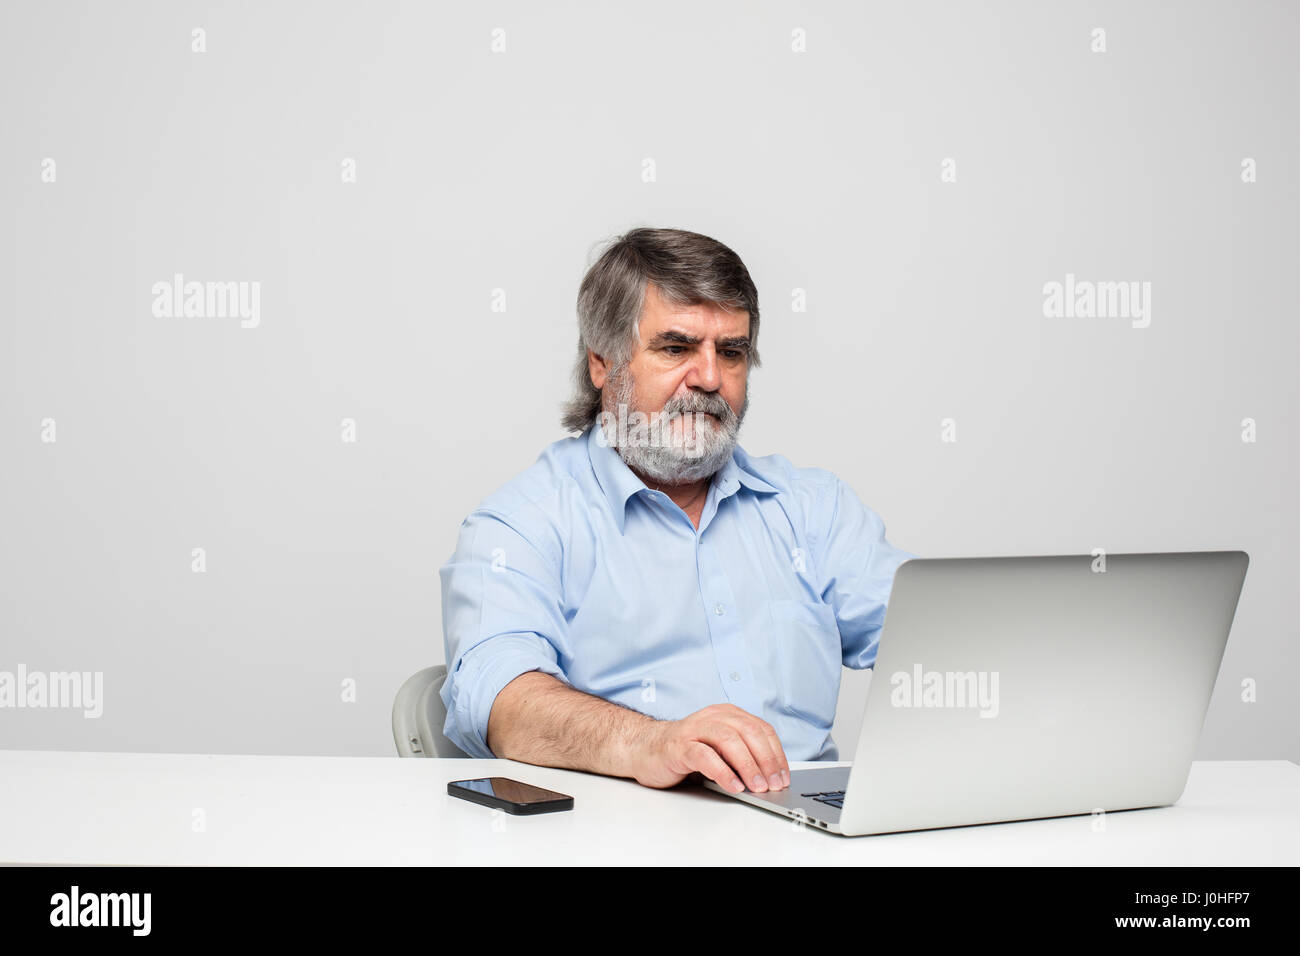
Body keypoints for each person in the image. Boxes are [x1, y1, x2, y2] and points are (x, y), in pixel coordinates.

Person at [438, 227, 917, 796]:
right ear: (602, 364)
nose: (711, 379)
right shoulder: (522, 525)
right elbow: (499, 702)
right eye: (675, 348)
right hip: (622, 842)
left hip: (811, 838)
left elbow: (941, 648)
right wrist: (650, 743)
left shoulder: (815, 510)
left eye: (732, 353)